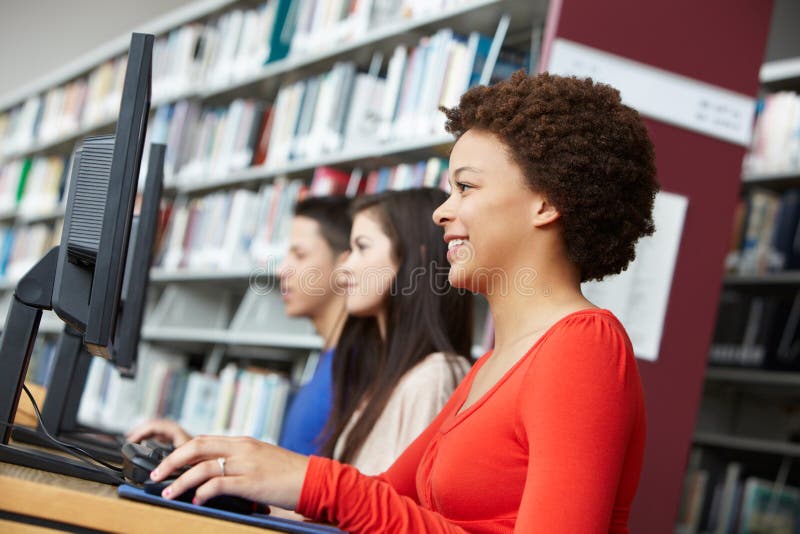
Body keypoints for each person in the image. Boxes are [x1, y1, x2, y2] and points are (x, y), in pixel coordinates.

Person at [150, 72, 657, 533]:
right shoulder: (491, 366)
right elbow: (387, 495)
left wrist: (314, 481)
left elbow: (357, 499)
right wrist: (238, 477)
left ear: (546, 202)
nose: (441, 212)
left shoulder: (583, 346)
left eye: (465, 188)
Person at [127, 195, 352, 456]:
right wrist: (199, 452)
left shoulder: (351, 373)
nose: (281, 270)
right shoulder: (330, 363)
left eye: (299, 255)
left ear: (343, 265)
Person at [322, 188, 473, 475]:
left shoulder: (434, 378)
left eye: (362, 247)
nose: (346, 268)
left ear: (415, 257)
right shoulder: (382, 377)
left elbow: (403, 510)